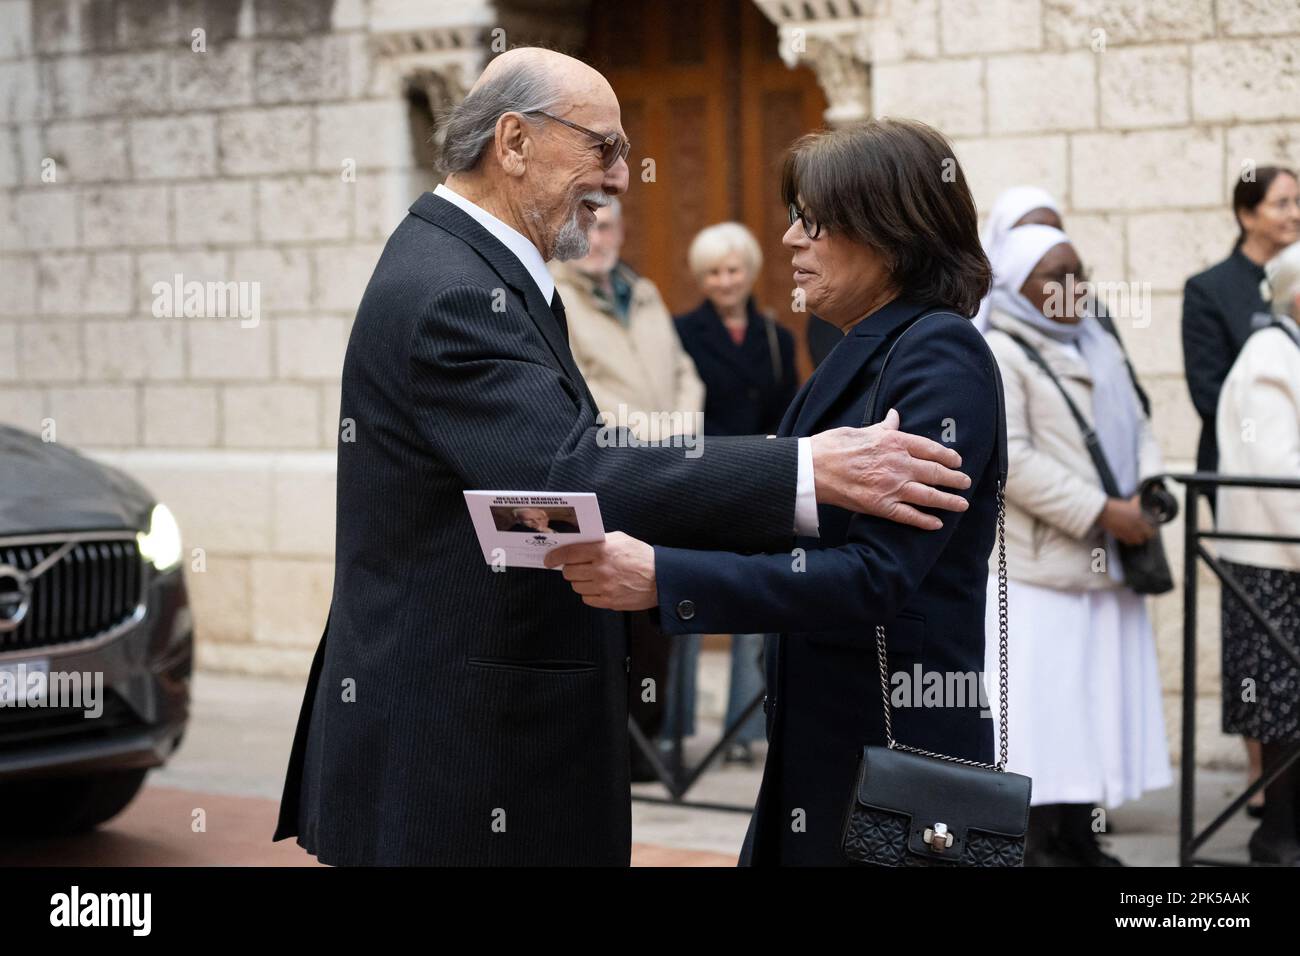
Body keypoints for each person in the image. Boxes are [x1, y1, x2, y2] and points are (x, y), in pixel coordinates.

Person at [272, 49, 974, 867]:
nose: (623, 175)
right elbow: (568, 470)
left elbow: (571, 460)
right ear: (514, 141)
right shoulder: (458, 287)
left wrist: (684, 553)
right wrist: (802, 471)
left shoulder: (477, 267)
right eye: (603, 148)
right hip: (461, 751)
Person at [548, 118, 1001, 866]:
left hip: (894, 753)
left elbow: (878, 575)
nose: (789, 239)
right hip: (825, 749)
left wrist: (664, 577)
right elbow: (778, 510)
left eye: (813, 222)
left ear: (889, 230)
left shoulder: (937, 353)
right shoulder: (859, 346)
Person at [983, 224, 1172, 866]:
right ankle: (1035, 846)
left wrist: (1146, 487)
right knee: (1041, 715)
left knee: (1092, 708)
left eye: (1078, 271)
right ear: (1014, 285)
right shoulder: (998, 351)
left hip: (1109, 562)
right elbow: (1014, 461)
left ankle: (1078, 838)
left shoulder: (1097, 340)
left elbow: (1139, 421)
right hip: (1043, 569)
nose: (1073, 287)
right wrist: (1101, 512)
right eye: (1053, 275)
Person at [548, 198, 703, 777]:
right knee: (612, 613)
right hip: (614, 473)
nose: (600, 235)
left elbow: (685, 372)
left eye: (609, 224)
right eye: (589, 224)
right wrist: (650, 435)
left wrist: (682, 428)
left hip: (668, 470)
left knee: (658, 609)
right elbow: (580, 387)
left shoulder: (643, 292)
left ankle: (650, 742)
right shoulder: (555, 299)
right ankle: (611, 747)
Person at [1183, 164, 1299, 808]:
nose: (1293, 212)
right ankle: (1264, 783)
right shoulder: (1211, 288)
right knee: (1258, 627)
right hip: (1245, 476)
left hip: (1287, 474)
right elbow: (1210, 390)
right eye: (1281, 202)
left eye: (1298, 201)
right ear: (1247, 213)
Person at [667, 222, 798, 765]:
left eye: (734, 269)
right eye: (714, 272)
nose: (725, 281)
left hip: (761, 482)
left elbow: (788, 411)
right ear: (703, 277)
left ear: (749, 272)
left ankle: (744, 732)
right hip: (702, 480)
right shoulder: (680, 331)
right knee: (687, 600)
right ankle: (673, 728)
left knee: (753, 604)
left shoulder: (777, 336)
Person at [1215, 240, 1300, 865]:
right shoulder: (1270, 357)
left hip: (1284, 558)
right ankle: (1277, 837)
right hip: (1274, 564)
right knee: (1281, 711)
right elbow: (1283, 475)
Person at [972, 186, 1063, 333]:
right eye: (1032, 231)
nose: (1048, 239)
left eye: (1056, 230)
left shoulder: (1088, 311)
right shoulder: (966, 313)